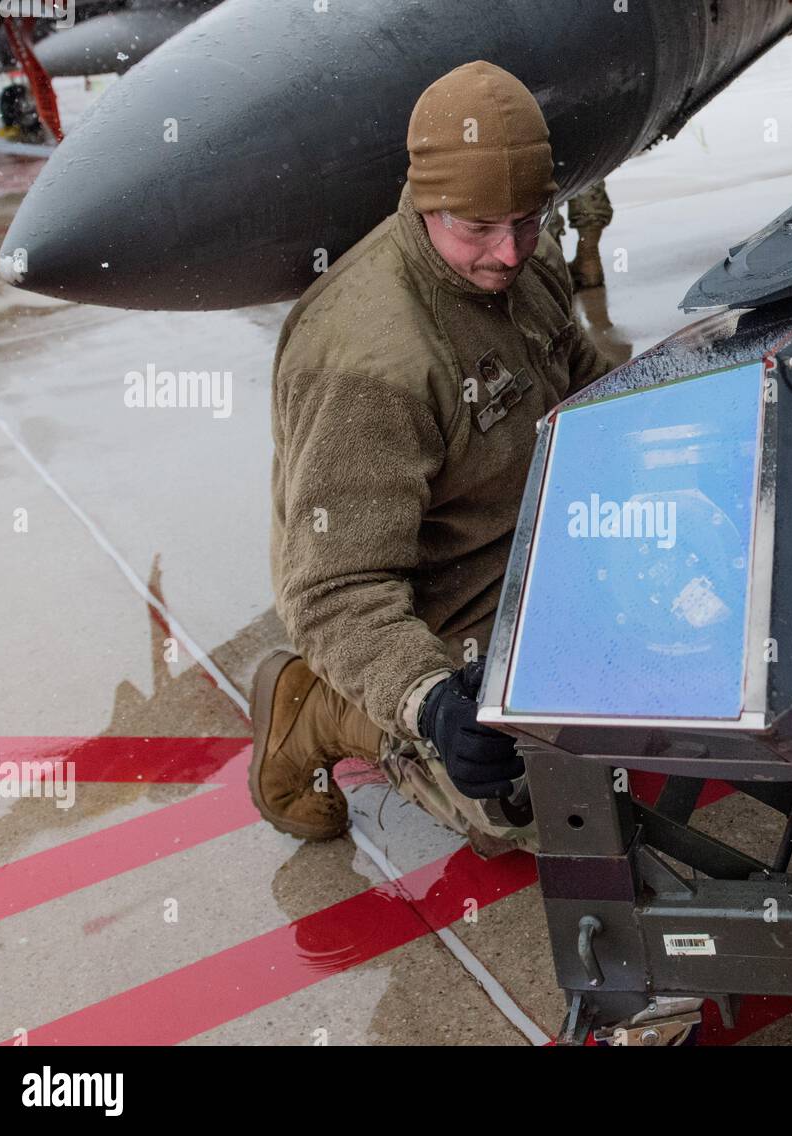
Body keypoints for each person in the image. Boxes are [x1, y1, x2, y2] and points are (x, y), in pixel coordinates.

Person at [250, 60, 616, 857]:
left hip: (526, 542)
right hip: (432, 600)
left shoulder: (521, 249)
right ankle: (320, 710)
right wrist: (429, 701)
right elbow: (336, 588)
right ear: (425, 205)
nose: (510, 252)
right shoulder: (371, 364)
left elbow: (581, 381)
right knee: (510, 794)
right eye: (478, 229)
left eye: (527, 220)